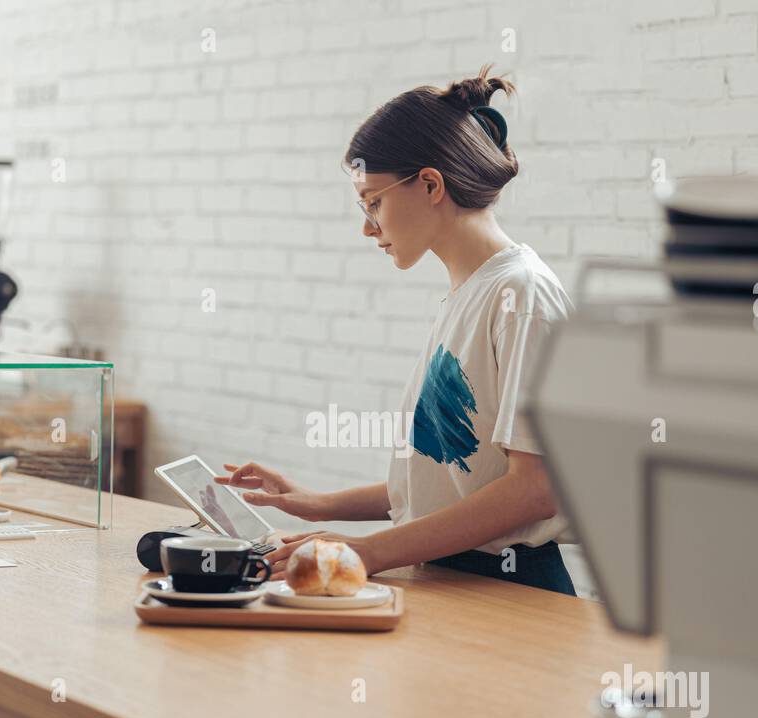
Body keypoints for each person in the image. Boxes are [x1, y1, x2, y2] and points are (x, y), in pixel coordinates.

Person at [218, 66, 576, 595]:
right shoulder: (468, 295)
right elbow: (451, 481)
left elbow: (536, 490)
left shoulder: (521, 296)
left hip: (510, 589)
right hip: (447, 576)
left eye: (374, 202)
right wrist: (321, 503)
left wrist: (366, 551)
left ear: (430, 184)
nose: (368, 226)